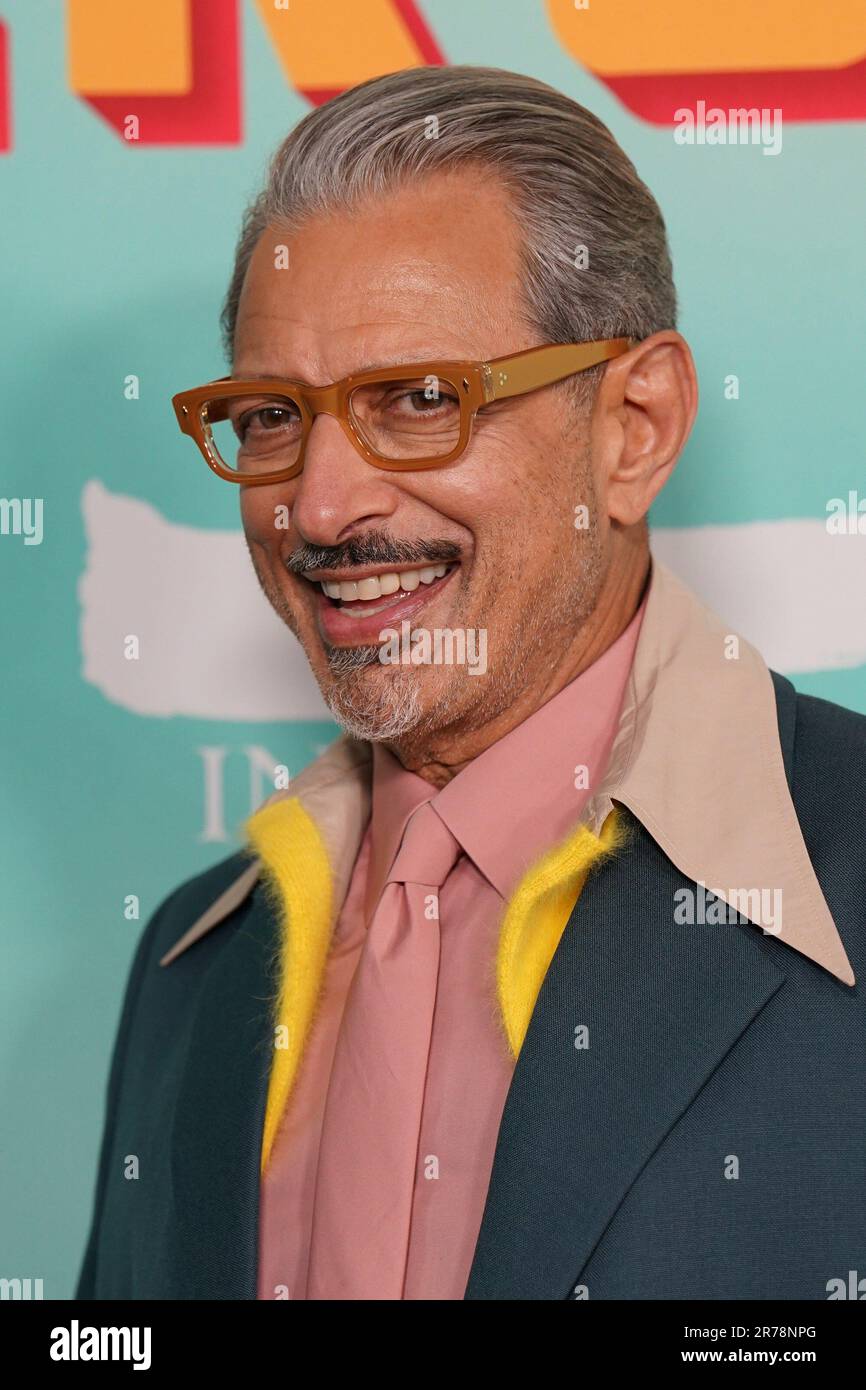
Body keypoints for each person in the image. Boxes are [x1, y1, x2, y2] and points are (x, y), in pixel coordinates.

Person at [76, 64, 865, 1302]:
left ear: (633, 427)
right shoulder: (190, 968)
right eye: (272, 417)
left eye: (421, 399)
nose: (321, 506)